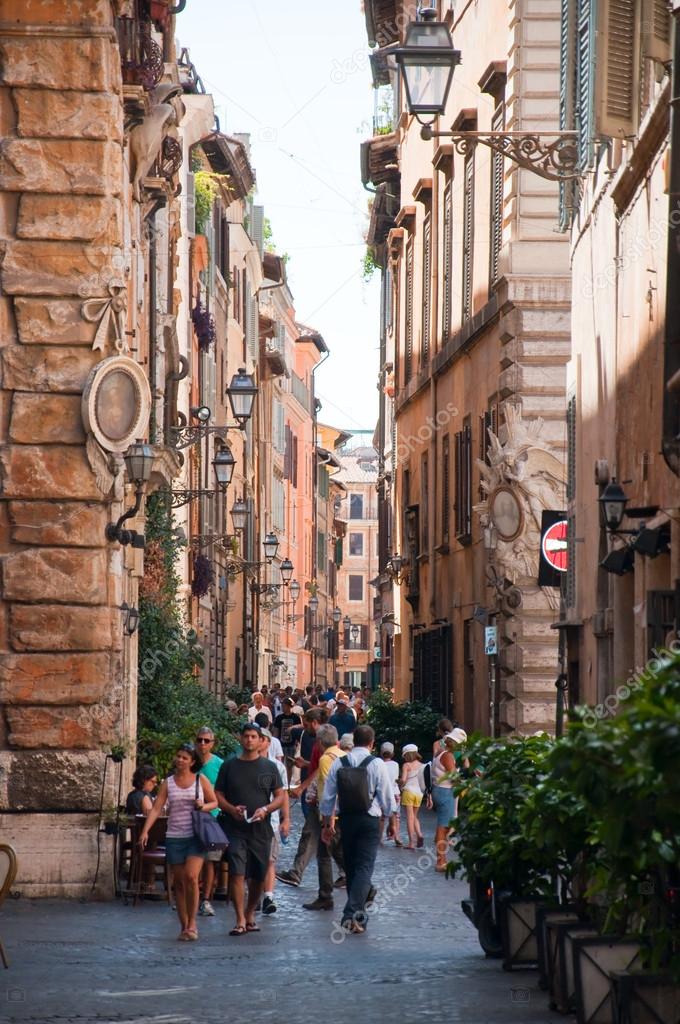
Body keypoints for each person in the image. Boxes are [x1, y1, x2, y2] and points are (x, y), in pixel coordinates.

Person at [320, 724, 396, 934]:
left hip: (346, 818)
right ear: (372, 743)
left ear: (353, 740)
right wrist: (391, 820)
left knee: (353, 867)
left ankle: (358, 919)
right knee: (364, 867)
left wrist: (327, 824)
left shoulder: (339, 763)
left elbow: (328, 797)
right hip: (370, 820)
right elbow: (386, 797)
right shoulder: (377, 763)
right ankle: (351, 913)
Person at [139, 743, 217, 941]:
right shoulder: (168, 782)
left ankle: (192, 923)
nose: (180, 760)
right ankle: (184, 925)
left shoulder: (201, 779)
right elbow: (157, 808)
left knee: (191, 877)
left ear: (192, 762)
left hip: (195, 836)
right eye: (178, 756)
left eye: (184, 757)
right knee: (180, 883)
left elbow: (214, 802)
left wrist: (203, 806)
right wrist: (145, 831)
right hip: (174, 836)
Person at [215, 723, 285, 936]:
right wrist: (230, 809)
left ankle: (250, 913)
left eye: (253, 736)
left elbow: (281, 796)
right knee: (237, 873)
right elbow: (218, 795)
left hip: (261, 829)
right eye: (246, 736)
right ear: (240, 739)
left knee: (258, 875)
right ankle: (239, 919)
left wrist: (266, 809)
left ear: (260, 740)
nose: (249, 740)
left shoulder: (270, 767)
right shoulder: (229, 766)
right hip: (235, 828)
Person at [276, 709, 324, 887]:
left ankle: (361, 884)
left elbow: (323, 767)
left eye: (305, 724)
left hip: (324, 798)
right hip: (318, 797)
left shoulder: (323, 740)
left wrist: (302, 787)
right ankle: (296, 873)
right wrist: (305, 764)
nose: (303, 727)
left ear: (314, 723)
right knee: (310, 835)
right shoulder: (319, 739)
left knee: (332, 842)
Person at [302, 724, 346, 911]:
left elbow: (329, 790)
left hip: (331, 814)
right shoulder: (344, 756)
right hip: (345, 811)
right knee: (338, 852)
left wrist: (328, 820)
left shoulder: (326, 759)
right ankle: (364, 885)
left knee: (324, 854)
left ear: (319, 742)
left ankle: (325, 896)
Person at [193, 727, 224, 917]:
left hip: (213, 818)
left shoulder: (219, 764)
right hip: (192, 819)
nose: (202, 743)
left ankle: (206, 899)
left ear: (212, 743)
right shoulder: (189, 761)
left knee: (210, 861)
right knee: (191, 859)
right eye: (200, 740)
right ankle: (190, 895)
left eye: (206, 740)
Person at [259, 729, 289, 915]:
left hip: (271, 821)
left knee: (270, 860)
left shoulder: (278, 767)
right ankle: (254, 895)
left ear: (268, 742)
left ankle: (268, 896)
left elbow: (283, 794)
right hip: (251, 821)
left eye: (261, 739)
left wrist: (286, 819)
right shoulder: (244, 764)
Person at [431, 729, 463, 872]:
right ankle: (441, 860)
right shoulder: (448, 756)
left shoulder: (440, 753)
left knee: (444, 826)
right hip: (445, 791)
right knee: (444, 827)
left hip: (439, 790)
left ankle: (442, 858)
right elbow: (453, 777)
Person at [400, 744, 425, 850]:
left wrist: (398, 781)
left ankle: (411, 843)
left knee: (409, 818)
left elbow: (404, 780)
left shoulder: (406, 765)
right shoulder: (423, 765)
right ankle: (419, 834)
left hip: (408, 791)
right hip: (419, 793)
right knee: (415, 816)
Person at [378, 743, 402, 846]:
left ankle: (379, 838)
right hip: (395, 792)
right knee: (396, 816)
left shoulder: (379, 764)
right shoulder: (396, 764)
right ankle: (397, 837)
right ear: (392, 753)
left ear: (381, 753)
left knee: (382, 817)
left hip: (383, 793)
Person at [273, 697, 302, 777]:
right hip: (281, 745)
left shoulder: (295, 717)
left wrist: (297, 742)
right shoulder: (279, 718)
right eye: (282, 706)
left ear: (289, 706)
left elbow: (300, 728)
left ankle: (288, 785)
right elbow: (276, 730)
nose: (283, 707)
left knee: (289, 766)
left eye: (284, 706)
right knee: (280, 765)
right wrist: (275, 742)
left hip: (291, 745)